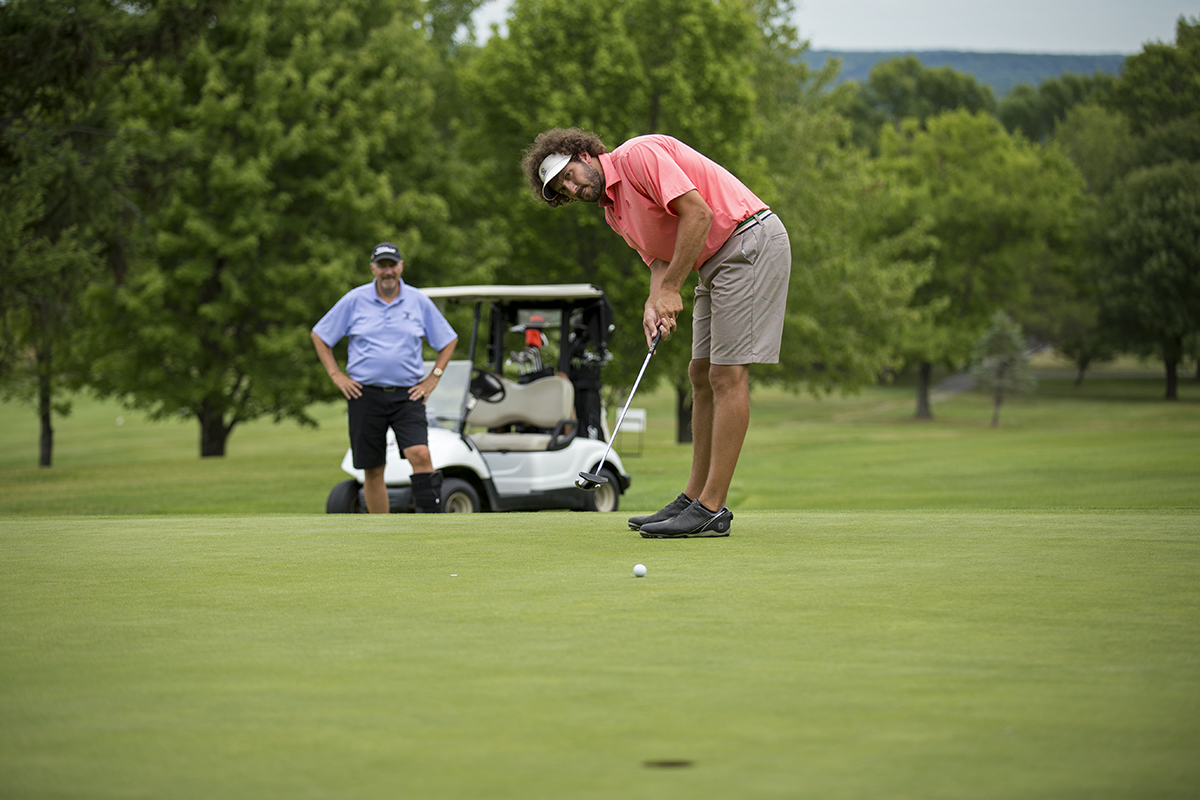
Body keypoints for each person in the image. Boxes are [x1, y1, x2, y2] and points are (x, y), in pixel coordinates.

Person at [522, 129, 791, 539]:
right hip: (713, 261)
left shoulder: (637, 156)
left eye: (571, 174)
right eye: (564, 189)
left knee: (726, 375)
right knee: (699, 374)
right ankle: (692, 498)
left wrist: (670, 291)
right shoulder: (614, 213)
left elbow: (697, 213)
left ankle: (712, 508)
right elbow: (660, 262)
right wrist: (654, 303)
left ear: (583, 153)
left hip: (748, 241)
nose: (574, 188)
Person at [311, 242, 458, 513]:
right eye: (382, 265)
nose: (388, 271)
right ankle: (383, 530)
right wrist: (336, 375)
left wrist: (432, 378)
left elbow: (448, 340)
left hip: (408, 395)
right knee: (373, 468)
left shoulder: (418, 301)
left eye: (392, 265)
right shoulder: (354, 300)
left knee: (420, 454)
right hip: (364, 394)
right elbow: (320, 335)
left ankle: (432, 524)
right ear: (373, 268)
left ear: (400, 267)